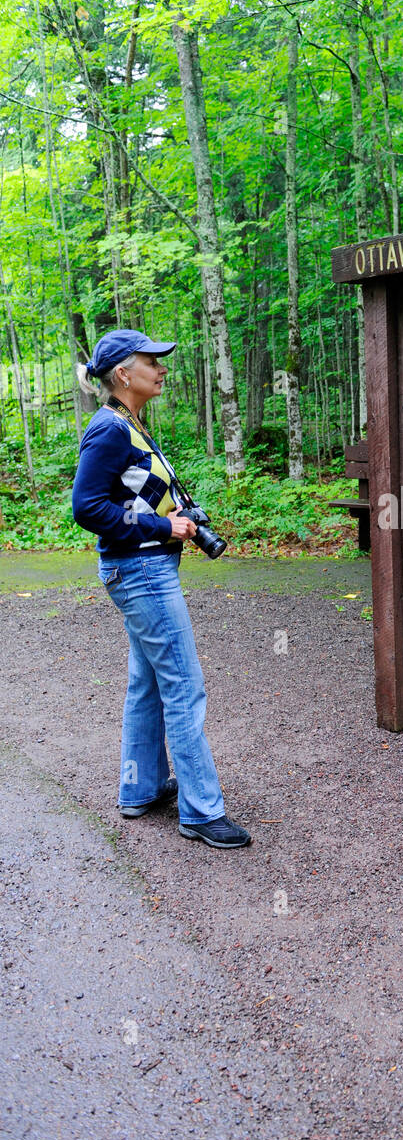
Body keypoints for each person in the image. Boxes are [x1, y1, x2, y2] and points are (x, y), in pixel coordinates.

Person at [71, 328, 251, 849]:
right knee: (184, 686)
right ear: (123, 374)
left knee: (148, 682)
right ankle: (200, 812)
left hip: (144, 569)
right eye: (152, 361)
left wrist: (179, 517)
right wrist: (160, 528)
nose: (162, 368)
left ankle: (141, 788)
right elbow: (87, 508)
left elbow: (130, 497)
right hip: (140, 571)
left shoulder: (127, 423)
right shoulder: (109, 429)